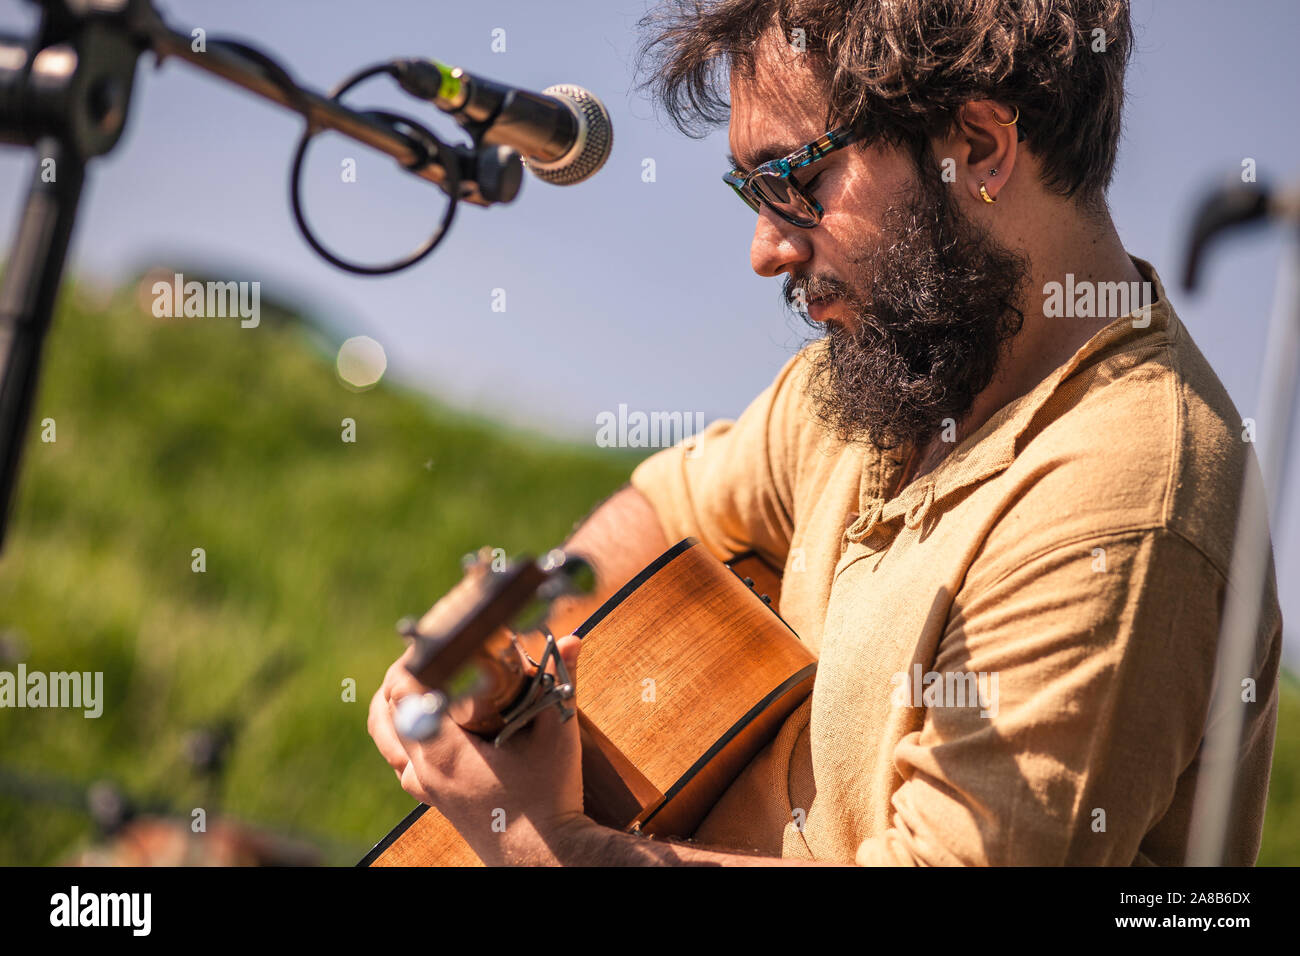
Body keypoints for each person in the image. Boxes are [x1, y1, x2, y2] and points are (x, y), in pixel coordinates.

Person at [368, 0, 1282, 865]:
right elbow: (665, 505)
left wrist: (549, 844)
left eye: (795, 181)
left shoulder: (1120, 508)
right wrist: (505, 666)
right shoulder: (891, 367)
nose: (767, 248)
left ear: (979, 146)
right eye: (749, 193)